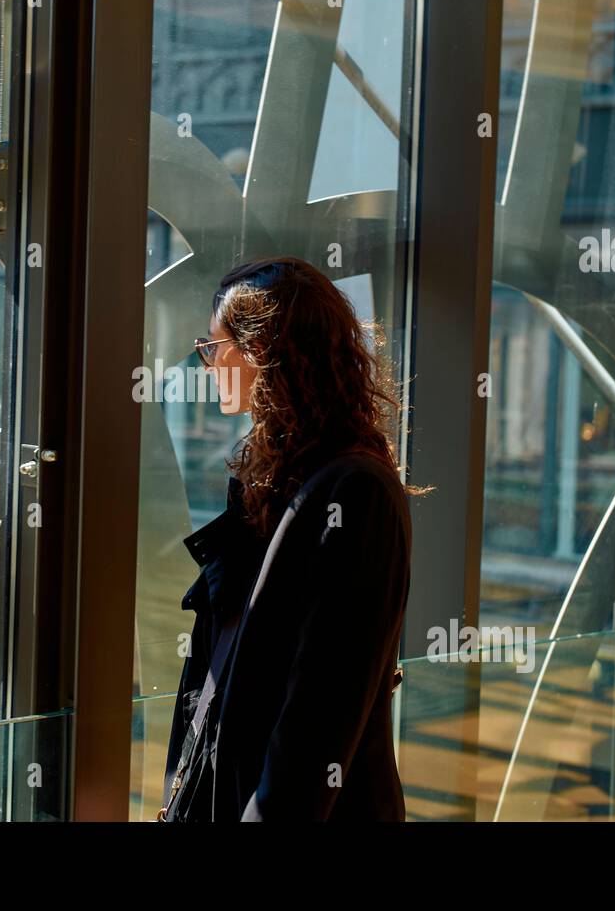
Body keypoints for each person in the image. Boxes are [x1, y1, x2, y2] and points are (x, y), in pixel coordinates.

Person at [159, 256, 424, 822]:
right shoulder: (275, 482)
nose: (207, 365)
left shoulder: (356, 490)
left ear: (261, 352)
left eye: (213, 347)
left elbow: (319, 717)